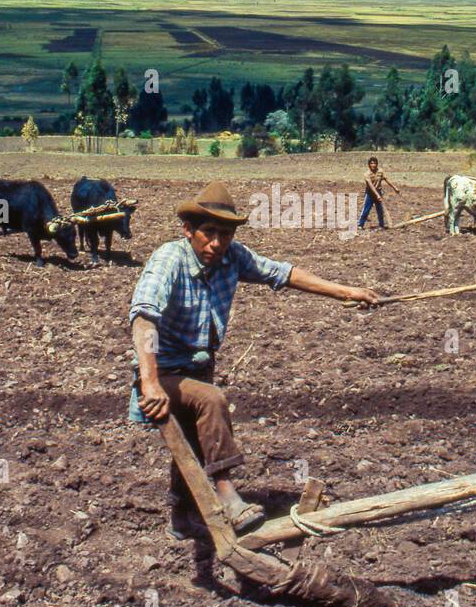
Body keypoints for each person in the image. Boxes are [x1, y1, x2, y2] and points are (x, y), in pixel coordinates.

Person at [129, 182, 379, 539]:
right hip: (161, 368)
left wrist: (346, 292)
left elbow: (283, 273)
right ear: (188, 230)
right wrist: (151, 383)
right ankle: (226, 493)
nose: (216, 243)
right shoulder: (169, 259)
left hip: (199, 366)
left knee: (194, 440)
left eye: (225, 234)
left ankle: (182, 520)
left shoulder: (233, 256)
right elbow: (144, 316)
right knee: (212, 400)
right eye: (209, 232)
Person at [358, 156, 400, 229]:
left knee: (380, 210)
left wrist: (394, 187)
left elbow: (386, 179)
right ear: (369, 165)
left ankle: (381, 225)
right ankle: (360, 225)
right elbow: (371, 186)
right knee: (366, 210)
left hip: (378, 192)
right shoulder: (366, 174)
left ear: (377, 164)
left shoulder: (380, 171)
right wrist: (377, 195)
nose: (373, 165)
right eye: (372, 163)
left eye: (375, 163)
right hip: (370, 194)